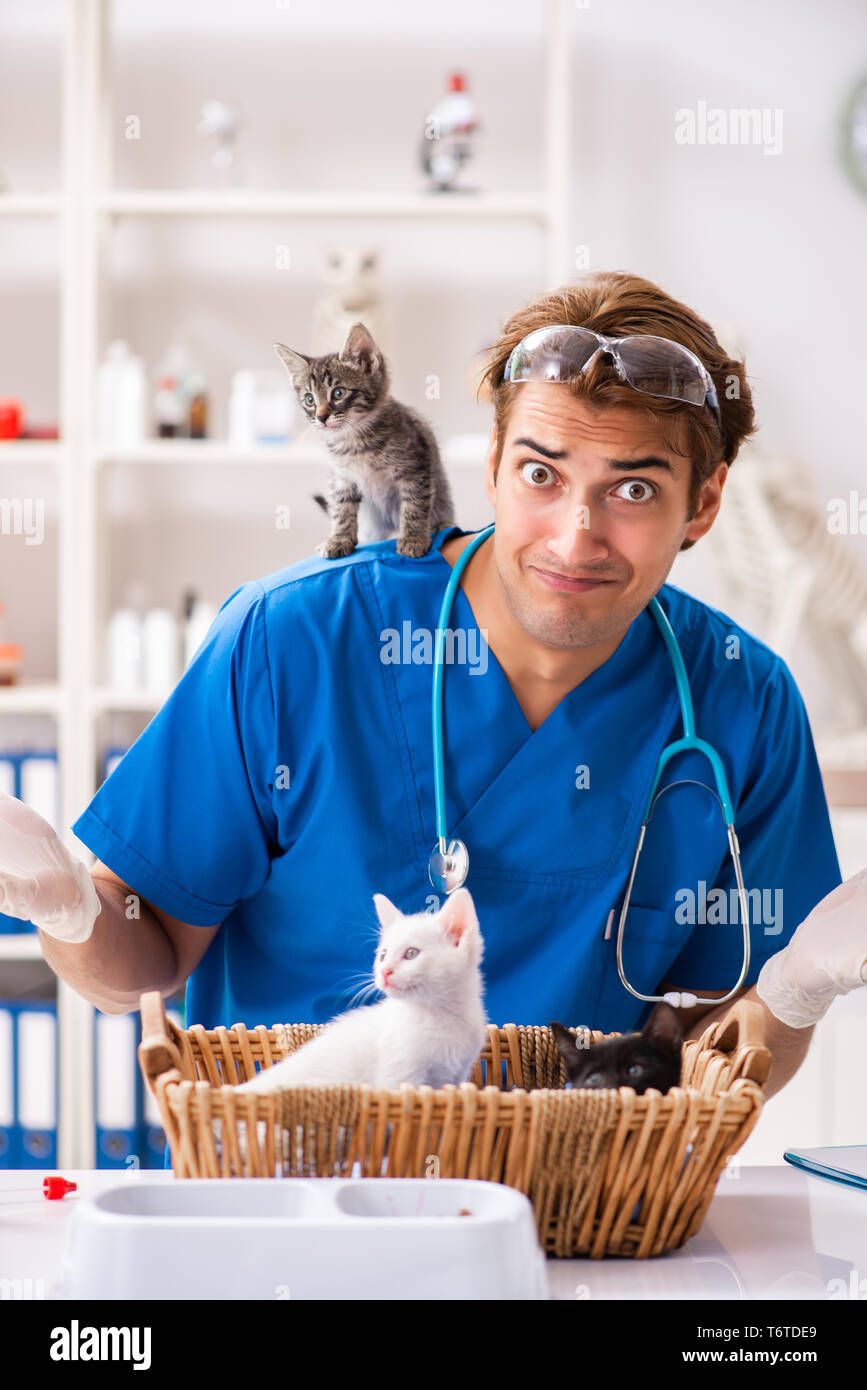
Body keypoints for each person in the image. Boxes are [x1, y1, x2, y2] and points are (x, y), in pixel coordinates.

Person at [1, 271, 859, 1108]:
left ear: (702, 504)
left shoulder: (740, 700)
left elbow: (707, 1060)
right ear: (491, 465)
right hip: (284, 1200)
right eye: (540, 473)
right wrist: (68, 906)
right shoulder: (292, 642)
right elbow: (138, 970)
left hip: (580, 1220)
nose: (575, 535)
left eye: (631, 489)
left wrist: (793, 992)